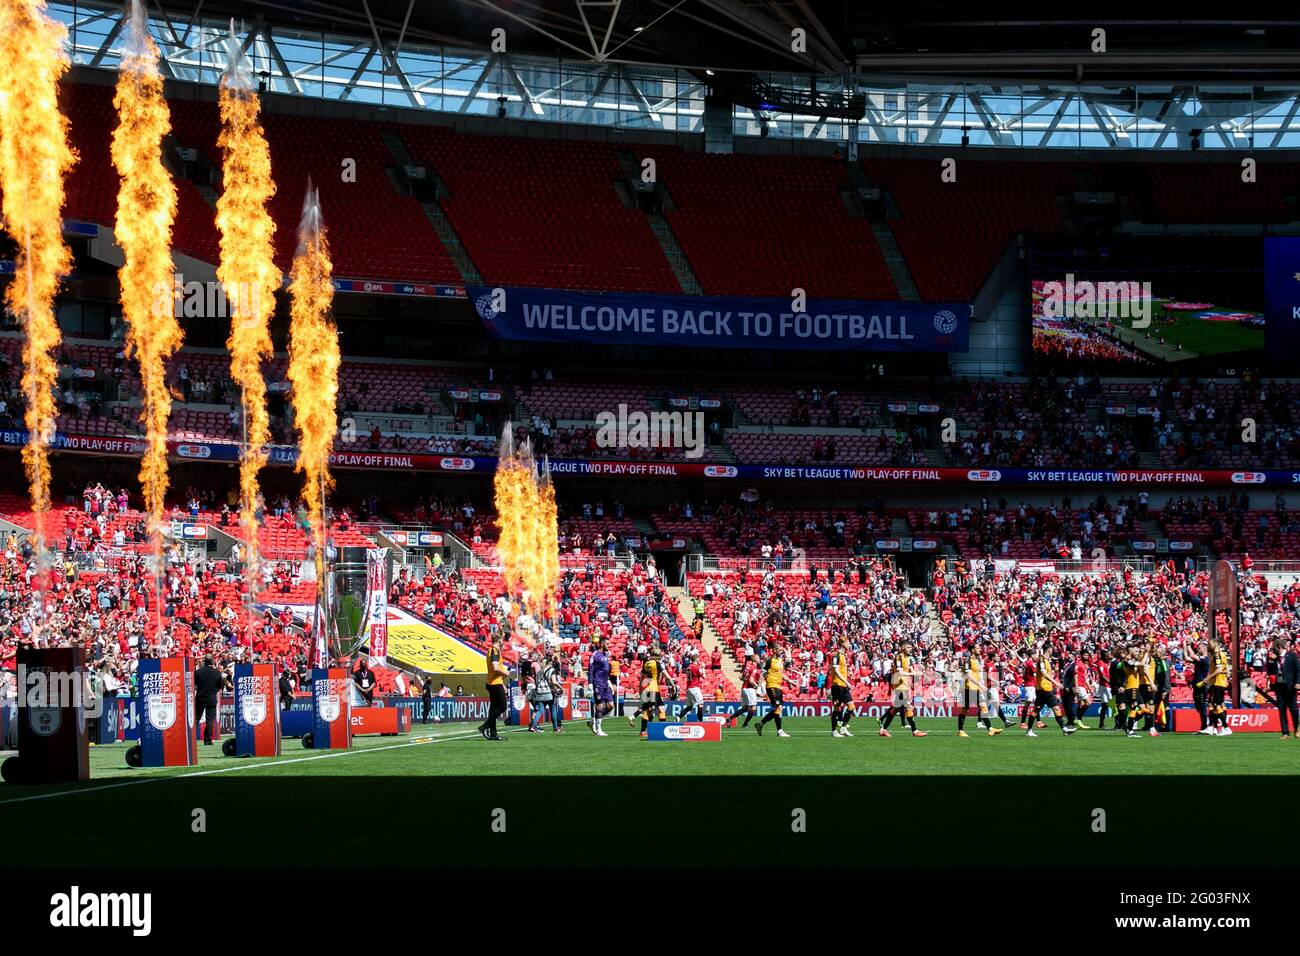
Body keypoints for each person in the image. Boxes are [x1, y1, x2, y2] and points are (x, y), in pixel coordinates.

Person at [755, 641, 791, 738]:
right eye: (779, 649)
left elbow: (780, 674)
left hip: (778, 686)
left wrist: (789, 681)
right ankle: (779, 731)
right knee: (778, 707)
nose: (781, 651)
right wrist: (759, 687)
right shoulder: (770, 661)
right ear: (774, 650)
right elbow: (762, 673)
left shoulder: (780, 661)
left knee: (778, 708)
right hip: (771, 686)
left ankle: (760, 724)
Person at [477, 634, 509, 741]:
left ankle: (493, 733)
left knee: (494, 709)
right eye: (502, 641)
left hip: (494, 682)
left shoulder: (491, 651)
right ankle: (484, 726)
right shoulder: (494, 651)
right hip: (494, 684)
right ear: (499, 641)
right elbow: (495, 667)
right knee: (503, 707)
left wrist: (502, 683)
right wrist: (506, 673)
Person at [1269, 638, 1300, 739]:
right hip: (1279, 686)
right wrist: (1271, 661)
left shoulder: (1292, 656)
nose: (1274, 651)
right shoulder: (1275, 658)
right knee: (1282, 710)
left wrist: (1298, 682)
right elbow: (1270, 671)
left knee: (1294, 709)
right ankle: (1285, 732)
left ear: (1279, 647)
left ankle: (1296, 728)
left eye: (1275, 648)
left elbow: (1298, 670)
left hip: (1290, 687)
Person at [193, 655, 226, 746]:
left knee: (196, 719)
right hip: (211, 698)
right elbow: (220, 686)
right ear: (212, 662)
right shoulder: (217, 673)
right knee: (210, 720)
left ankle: (191, 739)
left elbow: (194, 684)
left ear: (204, 662)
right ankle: (207, 739)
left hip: (200, 697)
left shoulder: (198, 672)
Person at [828, 636, 855, 738]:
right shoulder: (837, 655)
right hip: (838, 685)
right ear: (843, 644)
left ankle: (843, 728)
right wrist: (847, 682)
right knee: (837, 709)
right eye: (848, 643)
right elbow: (835, 670)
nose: (849, 645)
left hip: (843, 685)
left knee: (851, 707)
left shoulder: (843, 655)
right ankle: (834, 731)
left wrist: (849, 673)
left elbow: (832, 668)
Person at [587, 635, 612, 736]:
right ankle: (598, 730)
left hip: (605, 683)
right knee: (599, 706)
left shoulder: (606, 654)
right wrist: (590, 684)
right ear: (601, 644)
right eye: (607, 644)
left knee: (610, 706)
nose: (608, 646)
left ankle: (595, 721)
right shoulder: (595, 655)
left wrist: (609, 681)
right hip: (598, 683)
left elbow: (605, 670)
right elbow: (591, 669)